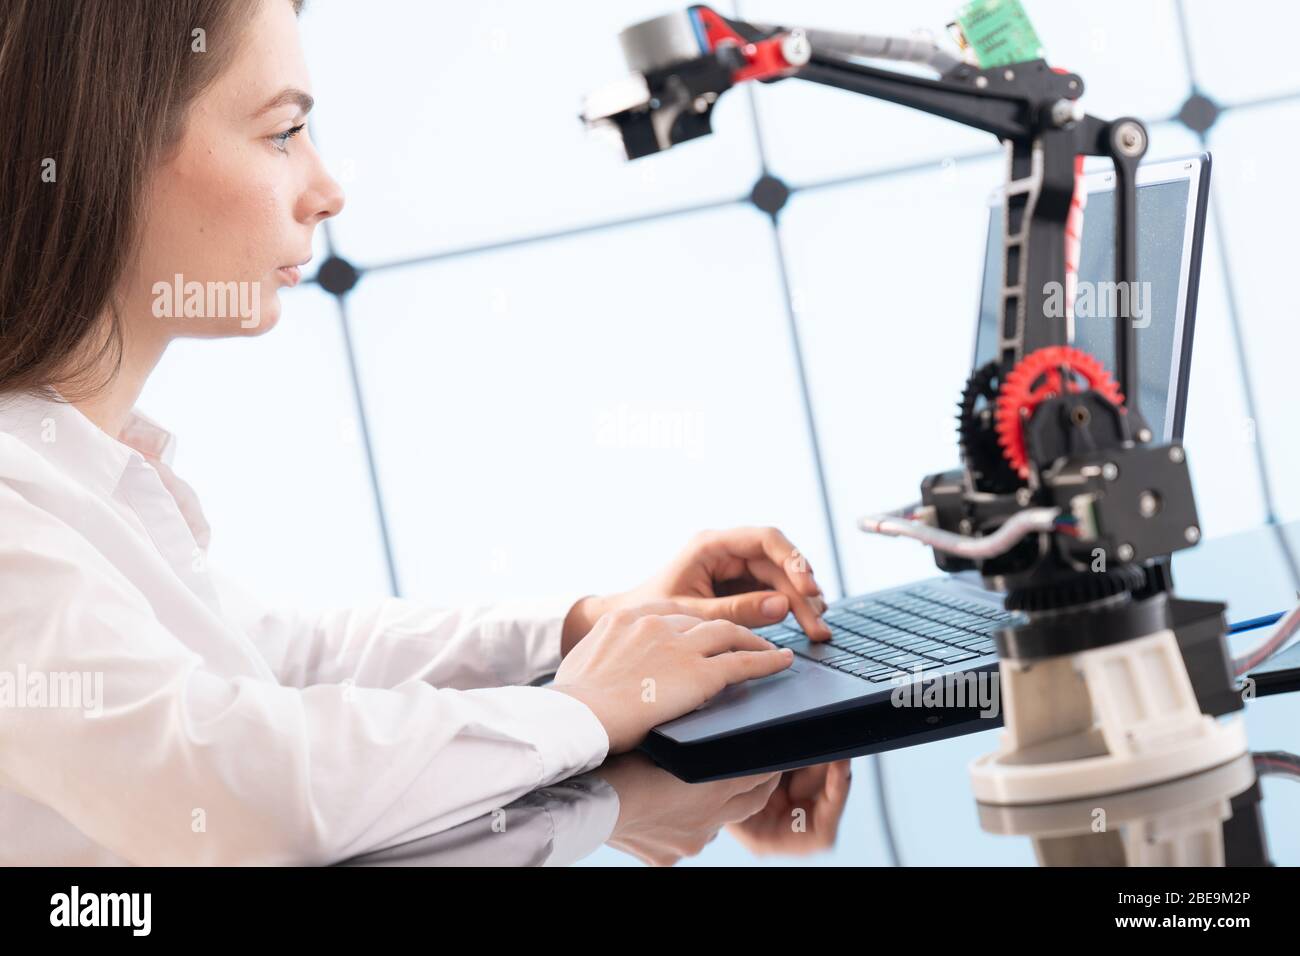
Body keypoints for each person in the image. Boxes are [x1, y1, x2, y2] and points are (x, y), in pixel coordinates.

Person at [0, 0, 832, 865]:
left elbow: (287, 665)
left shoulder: (84, 472)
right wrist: (579, 711)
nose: (326, 191)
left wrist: (587, 631)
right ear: (110, 147)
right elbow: (228, 787)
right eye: (284, 133)